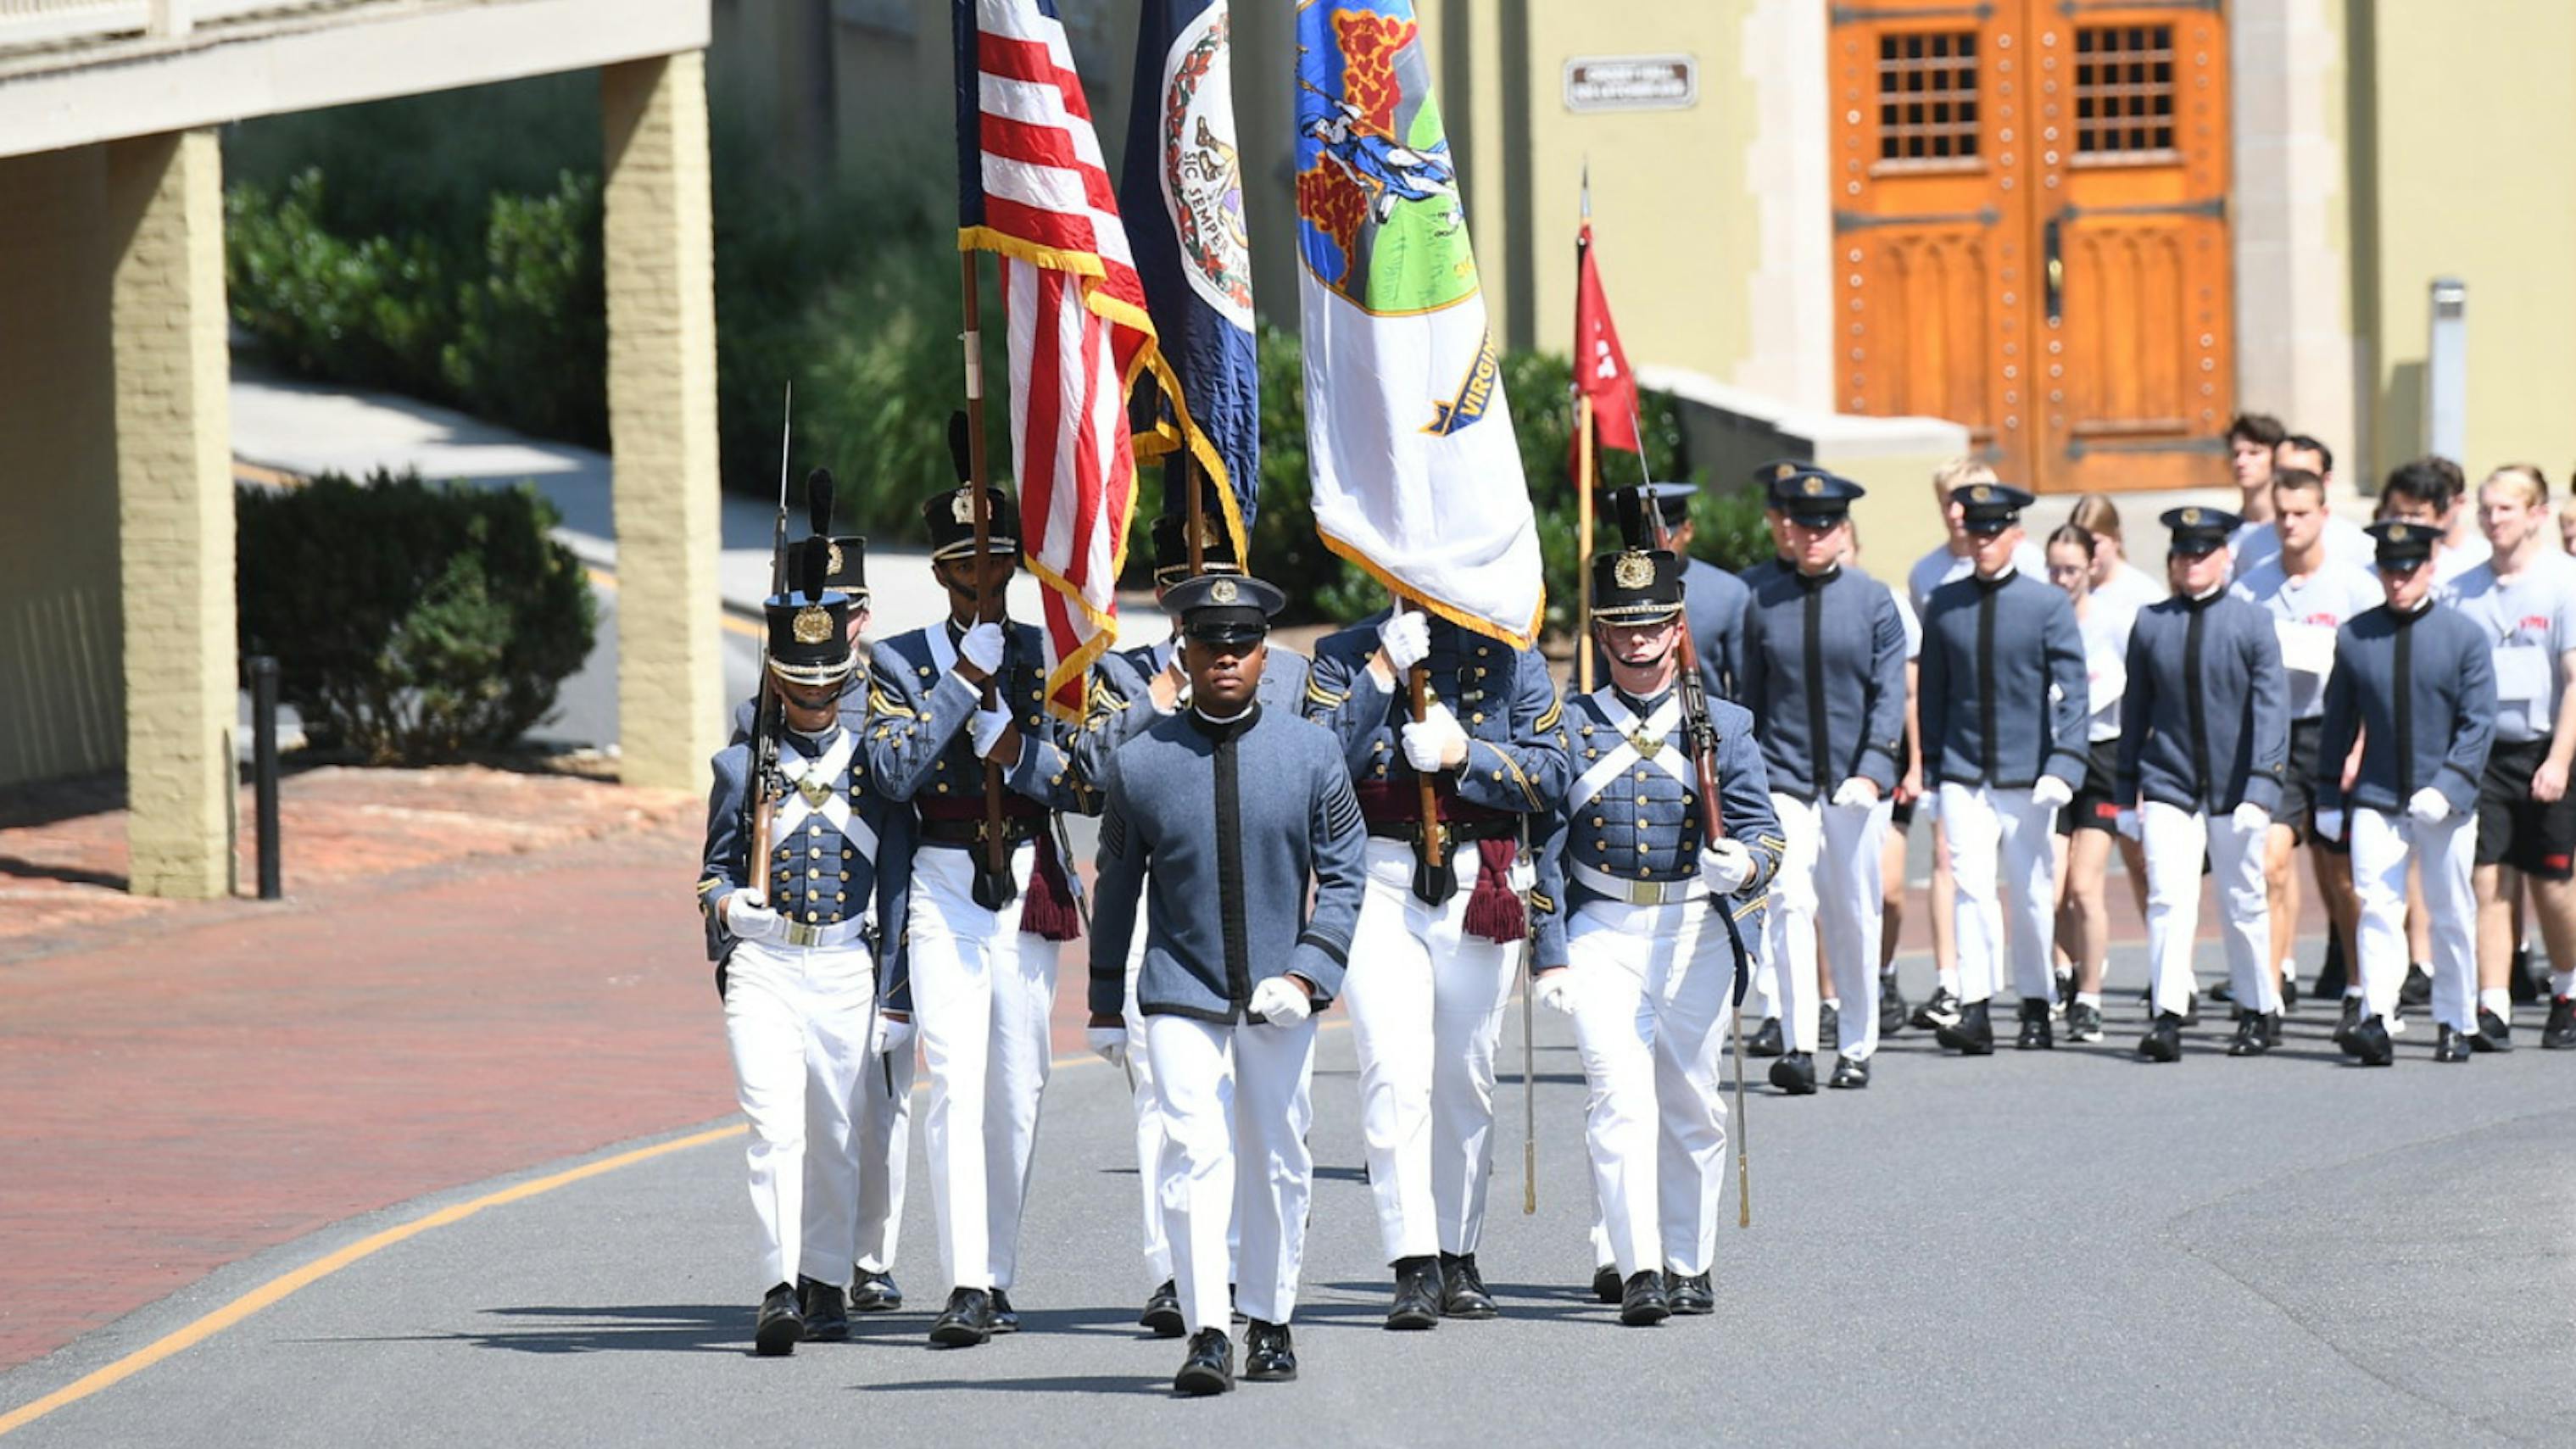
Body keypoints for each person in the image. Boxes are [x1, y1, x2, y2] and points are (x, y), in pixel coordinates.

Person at [1085, 573, 1368, 1396]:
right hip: (1181, 985)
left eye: (1242, 644)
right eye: (1211, 643)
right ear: (1186, 649)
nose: (1227, 658)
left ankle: (1270, 1319)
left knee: (1278, 1153)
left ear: (1263, 655)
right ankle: (1208, 1328)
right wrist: (1104, 1002)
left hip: (1281, 989)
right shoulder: (1140, 763)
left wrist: (1309, 971)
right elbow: (1116, 886)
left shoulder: (1310, 752)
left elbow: (1345, 874)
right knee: (1195, 1152)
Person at [861, 482, 1101, 1346]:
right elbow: (892, 772)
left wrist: (1018, 750)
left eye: (998, 560)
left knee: (1018, 1084)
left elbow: (1092, 781)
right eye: (966, 563)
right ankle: (964, 1280)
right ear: (940, 571)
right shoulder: (899, 662)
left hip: (1028, 875)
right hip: (940, 876)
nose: (983, 576)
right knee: (956, 1081)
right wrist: (963, 682)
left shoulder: (1050, 656)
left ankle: (997, 1272)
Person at [1531, 546, 1782, 1325]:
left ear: (1676, 629)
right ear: (1602, 635)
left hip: (1693, 927)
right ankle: (1638, 1265)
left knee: (1692, 1103)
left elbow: (1766, 833)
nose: (1637, 641)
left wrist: (1745, 863)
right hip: (1602, 926)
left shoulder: (1724, 726)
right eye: (1622, 627)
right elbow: (1544, 845)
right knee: (1618, 1097)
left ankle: (1688, 1260)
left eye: (1651, 625)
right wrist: (1549, 953)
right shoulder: (1570, 727)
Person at [1303, 597, 1569, 1327]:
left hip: (1481, 881)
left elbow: (1553, 771)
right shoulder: (1344, 654)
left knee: (1466, 1077)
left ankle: (1458, 1250)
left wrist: (1466, 758)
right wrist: (1381, 672)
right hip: (1380, 879)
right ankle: (1413, 1259)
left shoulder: (1513, 655)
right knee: (1393, 1073)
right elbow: (1310, 762)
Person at [1087, 500, 1312, 1335]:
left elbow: (1323, 794)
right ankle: (1184, 1286)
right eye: (1193, 588)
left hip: (1269, 935)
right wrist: (1157, 701)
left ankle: (1260, 1289)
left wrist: (1312, 963)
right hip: (1168, 932)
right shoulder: (1124, 687)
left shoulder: (1288, 686)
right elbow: (1092, 784)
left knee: (1272, 1133)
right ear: (1165, 600)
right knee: (1176, 1120)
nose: (1223, 644)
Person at [697, 540, 909, 1356]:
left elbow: (896, 884)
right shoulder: (739, 766)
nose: (816, 702)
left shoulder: (873, 767)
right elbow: (713, 873)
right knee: (773, 1128)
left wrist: (895, 993)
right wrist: (730, 907)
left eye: (827, 687)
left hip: (846, 962)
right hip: (765, 965)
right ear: (779, 682)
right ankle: (777, 1284)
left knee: (838, 1129)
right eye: (800, 687)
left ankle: (826, 1278)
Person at [1737, 471, 1905, 1090]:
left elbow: (1889, 696)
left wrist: (1875, 769)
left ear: (1843, 531)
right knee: (1788, 900)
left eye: (1825, 525)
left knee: (1853, 911)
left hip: (1853, 780)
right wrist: (1749, 773)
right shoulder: (1763, 599)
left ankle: (1856, 1044)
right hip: (1785, 775)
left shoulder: (1873, 599)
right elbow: (1750, 696)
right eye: (1803, 525)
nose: (1812, 536)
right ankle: (1799, 1043)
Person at [1918, 482, 2089, 1053]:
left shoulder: (2045, 604)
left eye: (1994, 532)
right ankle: (1976, 1007)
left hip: (2028, 774)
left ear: (2016, 535)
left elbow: (2075, 691)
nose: (1984, 542)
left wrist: (2065, 763)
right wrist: (1934, 772)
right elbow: (1934, 694)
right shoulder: (1945, 603)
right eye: (1976, 532)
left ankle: (2037, 1003)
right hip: (1964, 771)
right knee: (1970, 888)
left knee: (2032, 892)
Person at [2316, 520, 2496, 1065]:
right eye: (2389, 570)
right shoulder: (2356, 636)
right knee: (2377, 906)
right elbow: (2338, 721)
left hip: (2445, 801)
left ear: (2430, 568)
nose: (2398, 580)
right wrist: (2328, 794)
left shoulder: (2463, 636)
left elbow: (2478, 722)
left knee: (2450, 910)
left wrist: (2449, 785)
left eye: (2409, 569)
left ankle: (2456, 1020)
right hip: (2378, 793)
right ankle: (2377, 1016)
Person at [2114, 507, 2289, 1060]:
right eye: (2183, 553)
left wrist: (2263, 787)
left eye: (2202, 552)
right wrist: (2124, 793)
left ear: (2224, 557)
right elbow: (2134, 712)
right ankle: (2168, 1012)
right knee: (2169, 897)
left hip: (2236, 787)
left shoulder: (2251, 621)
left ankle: (2258, 1006)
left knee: (2243, 899)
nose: (2192, 562)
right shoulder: (2151, 622)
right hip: (2170, 781)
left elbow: (2272, 711)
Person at [2229, 468, 2378, 1017]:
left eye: (2301, 513)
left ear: (2324, 515)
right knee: (2270, 864)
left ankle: (2362, 986)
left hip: (2337, 733)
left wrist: (2362, 744)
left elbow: (2374, 677)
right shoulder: (2250, 588)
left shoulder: (2354, 586)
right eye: (2282, 514)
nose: (2290, 523)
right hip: (2276, 737)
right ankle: (2266, 995)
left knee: (2343, 876)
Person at [2440, 464, 2576, 1051]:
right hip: (2484, 753)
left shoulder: (2563, 582)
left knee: (2553, 883)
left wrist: (2560, 761)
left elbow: (2574, 681)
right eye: (2487, 508)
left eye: (2506, 509)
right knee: (2487, 876)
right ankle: (2491, 1002)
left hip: (2546, 747)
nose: (2493, 519)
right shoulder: (2460, 589)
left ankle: (2567, 989)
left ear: (2537, 515)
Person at [2043, 523, 2134, 1044]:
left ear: (2091, 568)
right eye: (2054, 570)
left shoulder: (2114, 622)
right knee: (2051, 888)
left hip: (2103, 758)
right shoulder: (2041, 621)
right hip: (2055, 757)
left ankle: (2091, 997)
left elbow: (2138, 692)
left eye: (2071, 570)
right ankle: (2074, 970)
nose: (2062, 579)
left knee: (2084, 884)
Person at [1576, 480, 1748, 702]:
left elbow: (1744, 685)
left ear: (1687, 530)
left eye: (1664, 536)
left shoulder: (1729, 591)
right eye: (1646, 537)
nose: (1653, 546)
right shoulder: (1610, 590)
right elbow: (1591, 674)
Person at [2232, 434, 2372, 577]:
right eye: (2283, 474)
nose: (2292, 484)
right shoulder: (2252, 546)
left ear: (2326, 480)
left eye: (2305, 476)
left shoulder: (2355, 544)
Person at [2378, 456, 2490, 587]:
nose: (2404, 522)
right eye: (2396, 514)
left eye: (2415, 515)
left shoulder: (2480, 559)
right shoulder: (2375, 563)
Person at [2069, 494, 2165, 619]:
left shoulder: (2145, 595)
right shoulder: (2063, 587)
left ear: (2116, 539)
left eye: (2095, 543)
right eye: (2080, 542)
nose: (2087, 550)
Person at [2224, 412, 2285, 532]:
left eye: (2254, 453)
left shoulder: (2290, 529)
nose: (2241, 462)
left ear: (2277, 457)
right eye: (2236, 454)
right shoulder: (2227, 533)